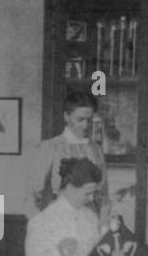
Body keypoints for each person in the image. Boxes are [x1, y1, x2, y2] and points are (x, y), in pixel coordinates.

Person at [24, 89, 107, 218]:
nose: (85, 125)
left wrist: (104, 218)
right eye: (80, 119)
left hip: (90, 218)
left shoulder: (96, 149)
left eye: (89, 120)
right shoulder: (50, 147)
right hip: (59, 217)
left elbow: (102, 191)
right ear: (66, 116)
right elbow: (32, 193)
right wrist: (40, 223)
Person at [24, 157, 110, 256]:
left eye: (93, 193)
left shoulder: (90, 216)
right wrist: (58, 251)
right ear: (70, 188)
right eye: (87, 193)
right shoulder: (42, 220)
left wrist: (104, 222)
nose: (91, 199)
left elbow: (99, 255)